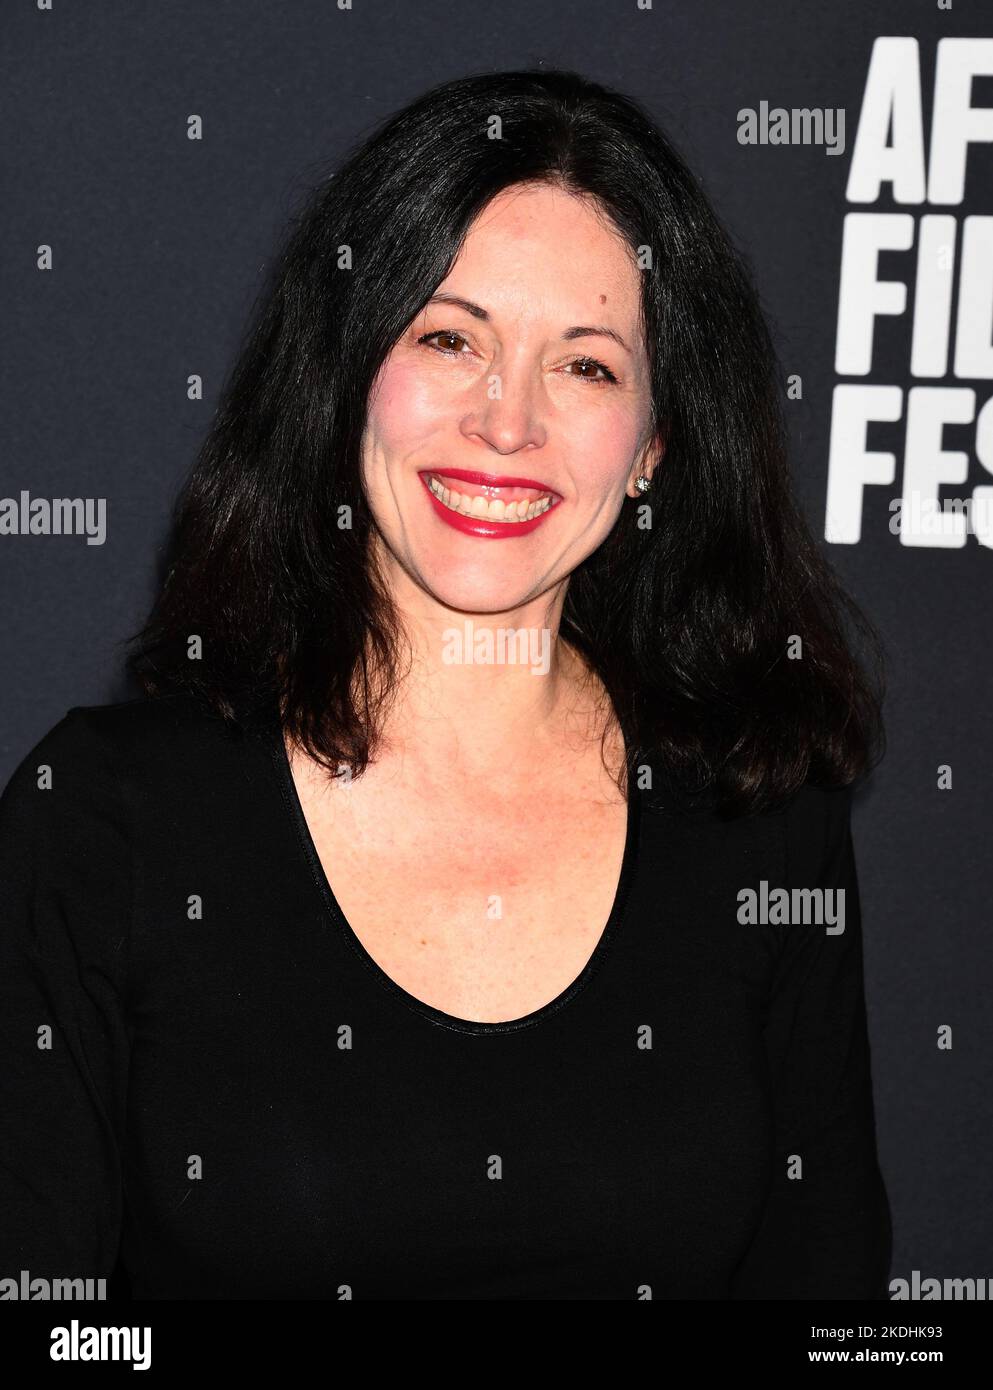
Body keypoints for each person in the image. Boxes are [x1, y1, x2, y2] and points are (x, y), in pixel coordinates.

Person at [0, 67, 891, 1300]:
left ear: (654, 449)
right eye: (449, 337)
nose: (507, 422)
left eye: (585, 366)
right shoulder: (105, 818)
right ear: (350, 370)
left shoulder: (759, 812)